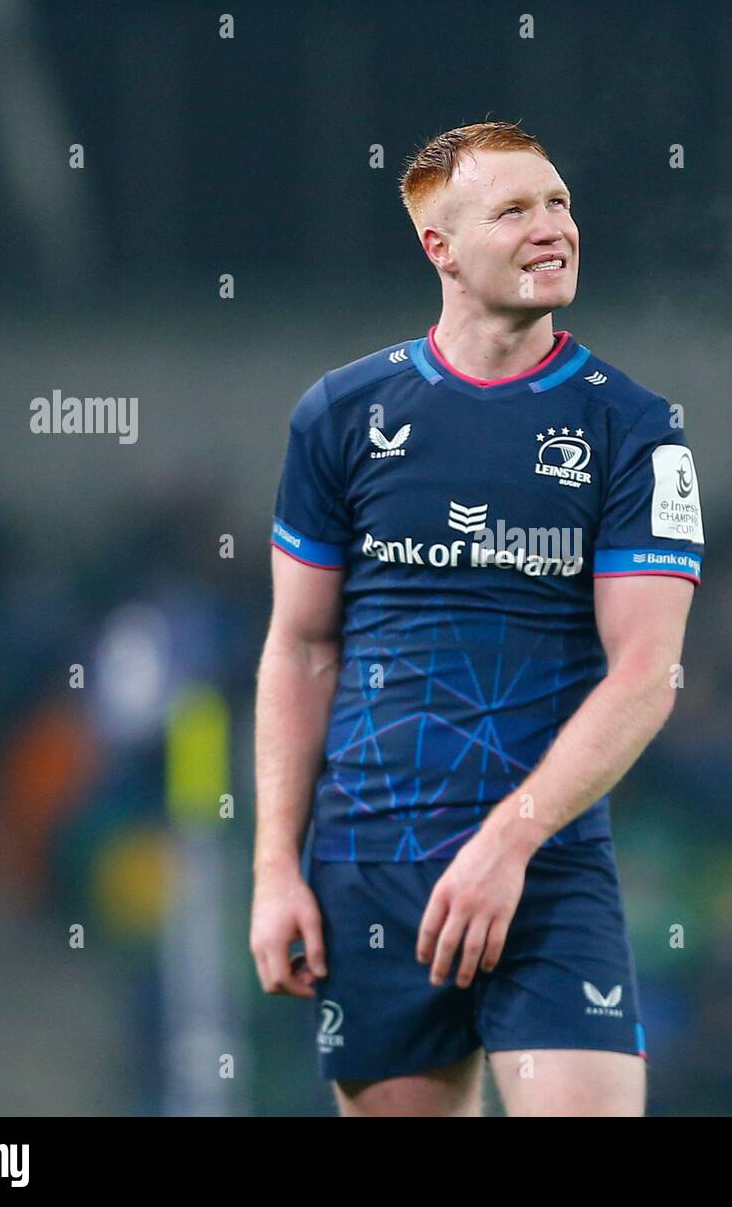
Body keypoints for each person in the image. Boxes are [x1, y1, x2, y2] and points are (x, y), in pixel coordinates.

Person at [249, 121, 704, 1116]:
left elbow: (646, 673)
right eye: (515, 210)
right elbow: (301, 644)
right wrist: (275, 865)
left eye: (559, 203)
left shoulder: (632, 427)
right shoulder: (339, 414)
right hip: (370, 871)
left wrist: (508, 841)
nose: (553, 229)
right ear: (439, 248)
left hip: (544, 867)